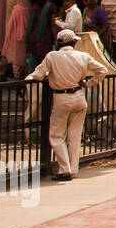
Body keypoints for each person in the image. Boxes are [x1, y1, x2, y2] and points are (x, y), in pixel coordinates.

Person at [25, 29, 106, 181]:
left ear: (59, 42)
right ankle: (73, 168)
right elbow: (102, 70)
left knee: (56, 135)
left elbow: (37, 75)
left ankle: (64, 169)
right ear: (74, 42)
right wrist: (89, 83)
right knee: (75, 135)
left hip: (61, 98)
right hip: (79, 97)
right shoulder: (83, 56)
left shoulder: (52, 56)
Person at [3, 0, 33, 79]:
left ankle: (17, 78)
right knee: (27, 60)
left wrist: (9, 36)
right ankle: (25, 79)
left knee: (17, 61)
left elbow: (11, 25)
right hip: (27, 39)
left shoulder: (16, 9)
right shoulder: (29, 9)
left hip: (16, 39)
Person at [28, 0, 58, 71]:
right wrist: (56, 39)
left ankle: (32, 81)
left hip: (34, 36)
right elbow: (53, 25)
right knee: (45, 61)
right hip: (45, 36)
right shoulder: (52, 7)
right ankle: (43, 82)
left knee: (34, 62)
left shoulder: (36, 6)